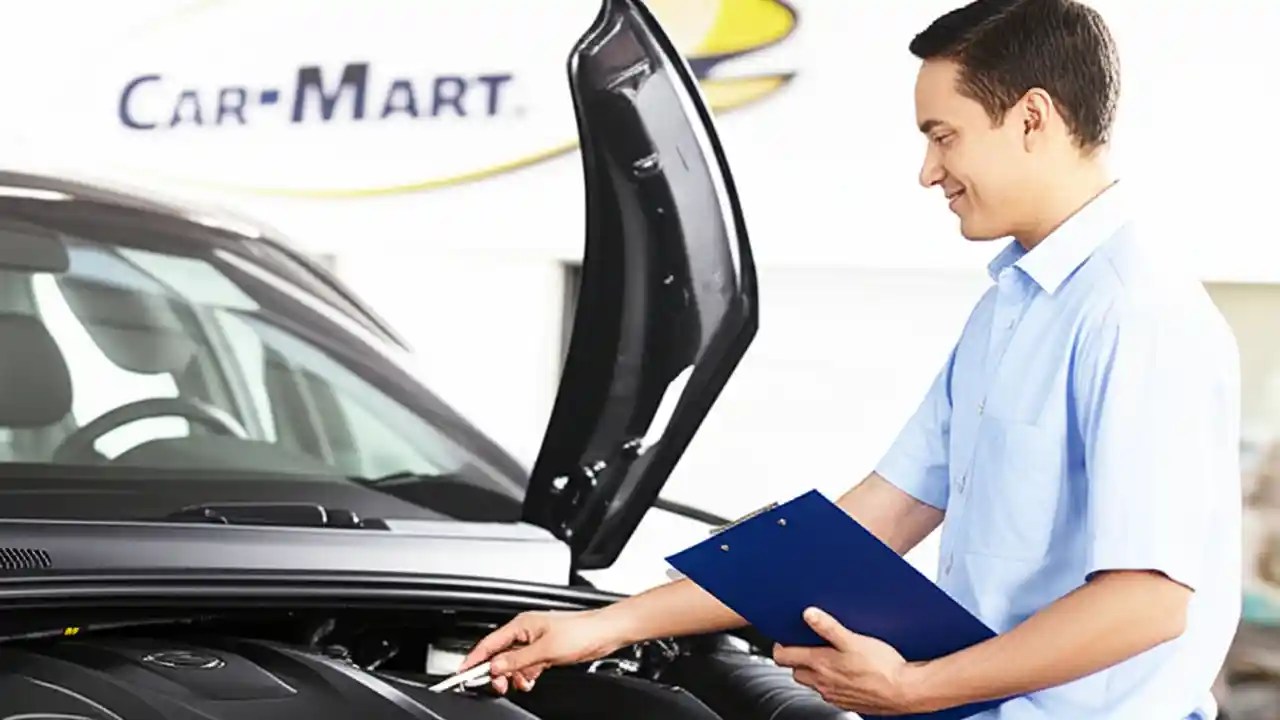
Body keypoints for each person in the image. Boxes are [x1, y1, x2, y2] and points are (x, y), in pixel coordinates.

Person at [459, 0, 1243, 716]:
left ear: (1032, 118)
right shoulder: (1009, 309)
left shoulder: (1138, 315)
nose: (929, 171)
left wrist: (914, 688)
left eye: (943, 136)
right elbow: (878, 516)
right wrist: (607, 625)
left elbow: (1146, 601)